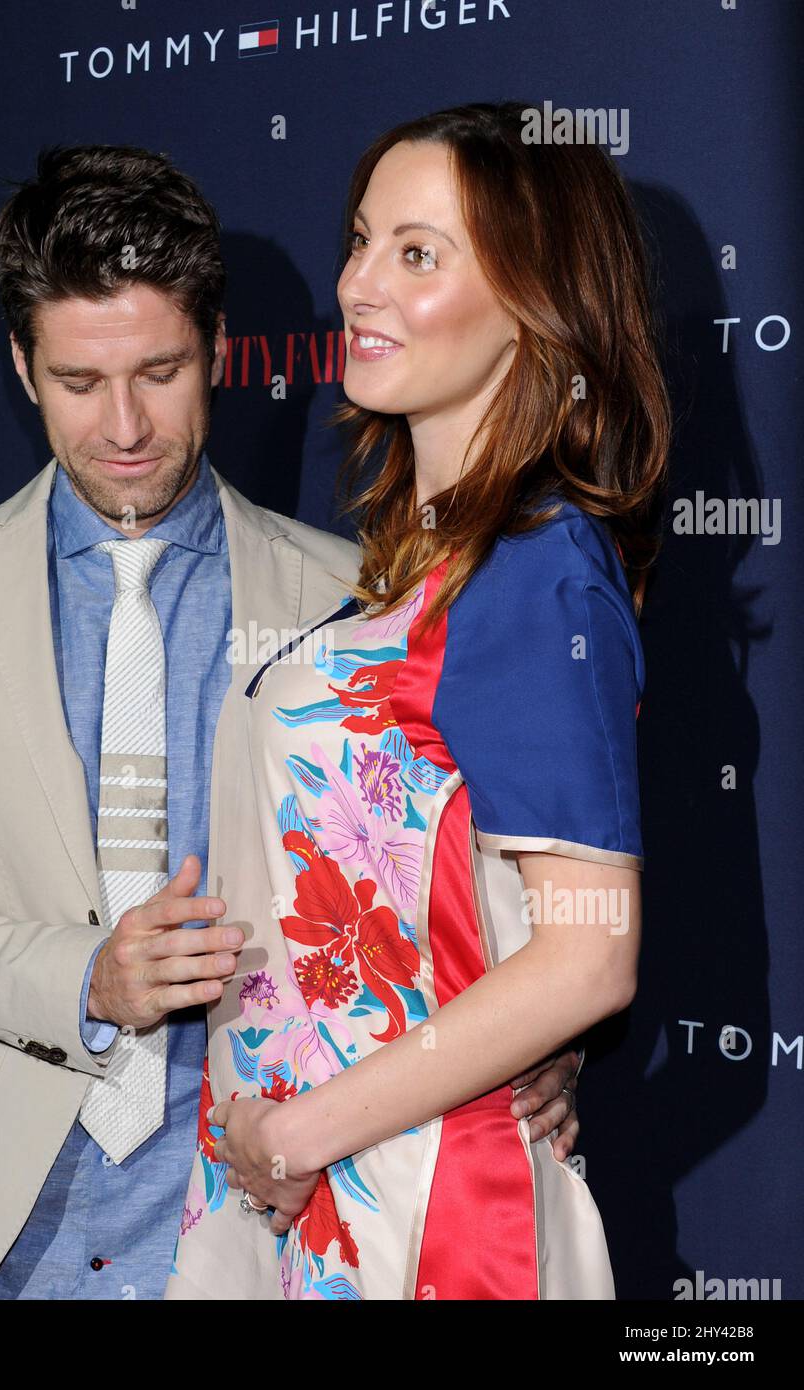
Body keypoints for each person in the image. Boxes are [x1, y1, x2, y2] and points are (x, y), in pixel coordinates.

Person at [0, 142, 585, 1302]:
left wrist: (529, 1049)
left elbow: (477, 894)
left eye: (161, 370)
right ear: (22, 370)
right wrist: (88, 975)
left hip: (263, 1221)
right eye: (80, 383)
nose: (125, 424)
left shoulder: (358, 593)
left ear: (222, 352)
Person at [167, 103, 671, 1301]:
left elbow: (588, 958)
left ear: (534, 302)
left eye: (417, 253)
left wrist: (298, 1133)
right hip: (335, 1191)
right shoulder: (426, 566)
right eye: (359, 240)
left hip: (428, 1219)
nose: (356, 285)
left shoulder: (535, 569)